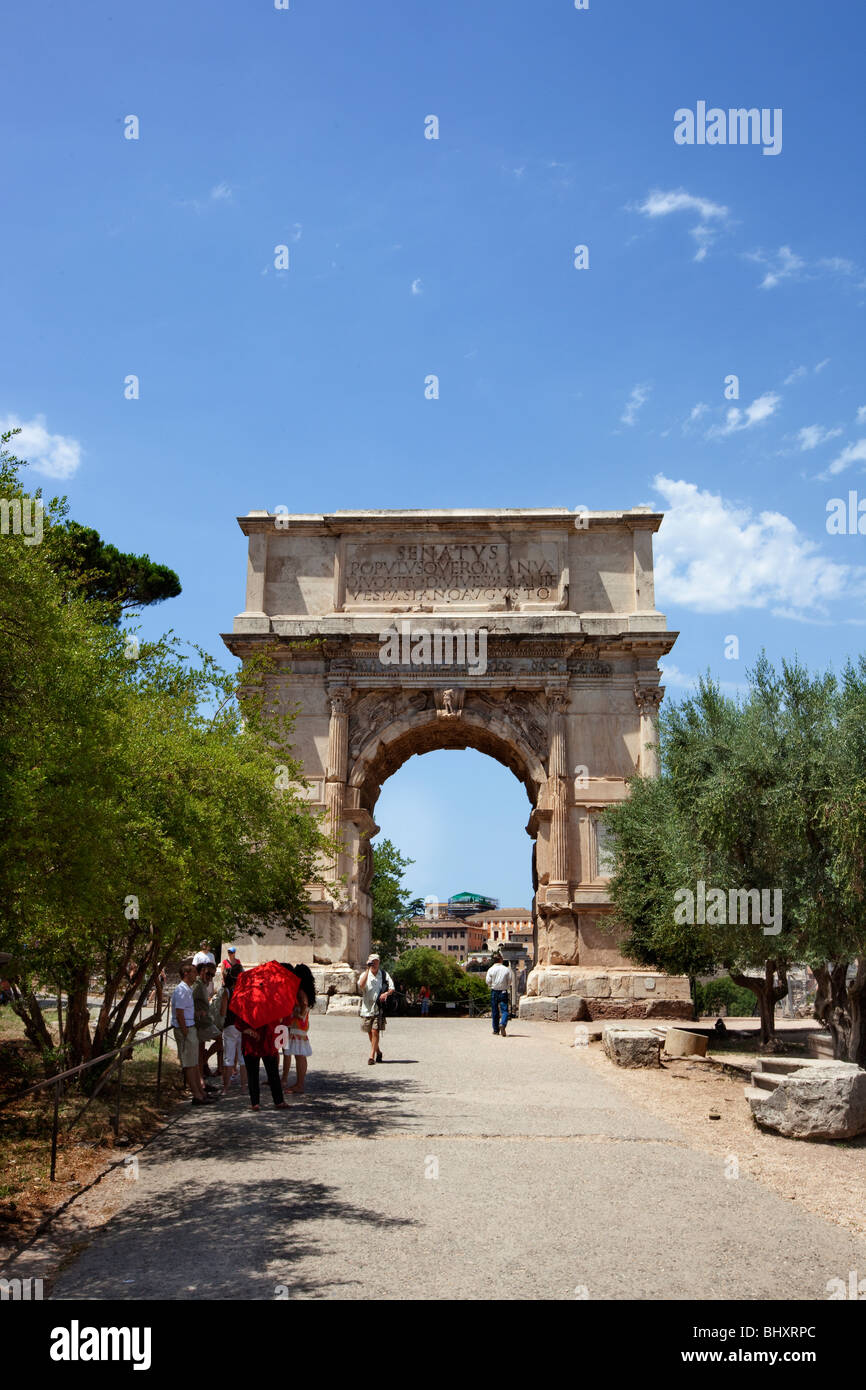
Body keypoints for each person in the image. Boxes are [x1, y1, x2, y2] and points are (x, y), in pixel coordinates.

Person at [171, 962, 208, 1103]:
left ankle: (200, 1092)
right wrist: (185, 1031)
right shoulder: (181, 990)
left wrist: (196, 1014)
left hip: (190, 1027)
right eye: (193, 972)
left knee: (194, 1063)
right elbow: (179, 1013)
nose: (196, 975)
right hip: (186, 1030)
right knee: (189, 1064)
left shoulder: (187, 989)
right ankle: (197, 1095)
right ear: (186, 974)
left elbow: (184, 1011)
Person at [281, 964, 316, 1092]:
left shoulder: (301, 991)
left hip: (297, 1025)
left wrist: (296, 1013)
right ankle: (300, 1083)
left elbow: (304, 1007)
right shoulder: (306, 990)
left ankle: (299, 1084)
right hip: (301, 1026)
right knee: (300, 1055)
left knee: (299, 1055)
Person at [240, 1018, 287, 1111]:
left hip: (258, 1041)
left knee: (255, 1074)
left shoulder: (247, 1004)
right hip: (263, 1041)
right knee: (272, 1072)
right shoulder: (270, 1005)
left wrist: (246, 1029)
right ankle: (278, 1101)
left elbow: (238, 1023)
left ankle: (256, 1103)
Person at [358, 952, 394, 1066]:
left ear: (379, 962)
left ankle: (371, 1056)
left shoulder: (383, 974)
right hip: (367, 1008)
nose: (374, 963)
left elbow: (392, 988)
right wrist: (367, 970)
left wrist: (386, 994)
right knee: (369, 1033)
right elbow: (361, 985)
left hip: (379, 1007)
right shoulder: (365, 974)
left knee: (375, 1031)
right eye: (371, 961)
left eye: (376, 961)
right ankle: (378, 1051)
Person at [219, 962, 247, 1096]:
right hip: (242, 1026)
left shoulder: (227, 992)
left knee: (228, 1058)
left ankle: (226, 1087)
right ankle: (243, 1087)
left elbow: (223, 1012)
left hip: (230, 1026)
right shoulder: (243, 992)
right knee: (242, 1059)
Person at [486, 953, 514, 1037]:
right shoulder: (506, 969)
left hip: (494, 991)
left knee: (495, 1011)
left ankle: (495, 1030)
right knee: (505, 1010)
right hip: (503, 991)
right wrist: (506, 986)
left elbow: (488, 981)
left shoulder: (491, 969)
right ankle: (502, 1023)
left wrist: (492, 985)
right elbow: (510, 980)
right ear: (501, 959)